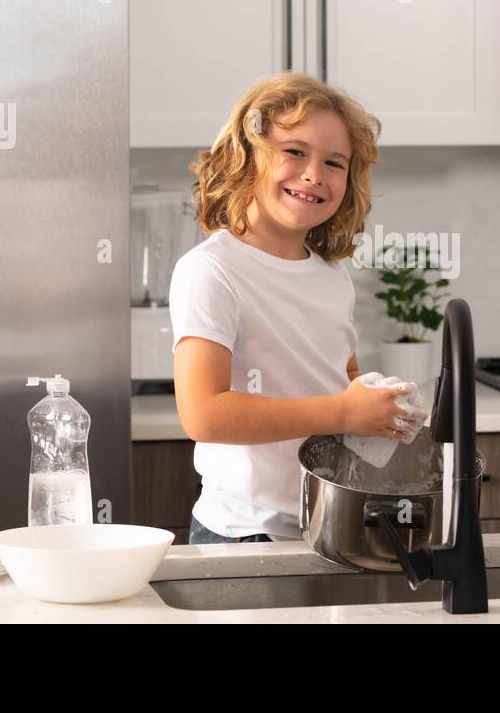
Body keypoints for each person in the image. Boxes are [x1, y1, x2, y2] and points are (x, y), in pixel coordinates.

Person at [168, 73, 424, 544]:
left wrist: (375, 403)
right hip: (244, 533)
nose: (314, 174)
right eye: (294, 151)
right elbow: (204, 413)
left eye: (334, 162)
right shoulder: (212, 270)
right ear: (247, 156)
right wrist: (343, 413)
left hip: (323, 523)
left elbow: (340, 375)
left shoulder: (331, 275)